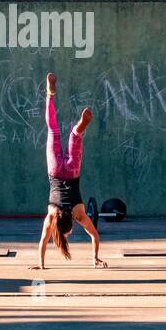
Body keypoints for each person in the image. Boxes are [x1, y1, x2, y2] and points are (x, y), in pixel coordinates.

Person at [30, 73, 105, 270]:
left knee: (75, 137)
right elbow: (43, 243)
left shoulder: (78, 214)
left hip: (71, 172)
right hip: (55, 171)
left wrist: (96, 256)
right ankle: (50, 95)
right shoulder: (52, 217)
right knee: (52, 129)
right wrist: (41, 263)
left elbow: (95, 236)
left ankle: (78, 130)